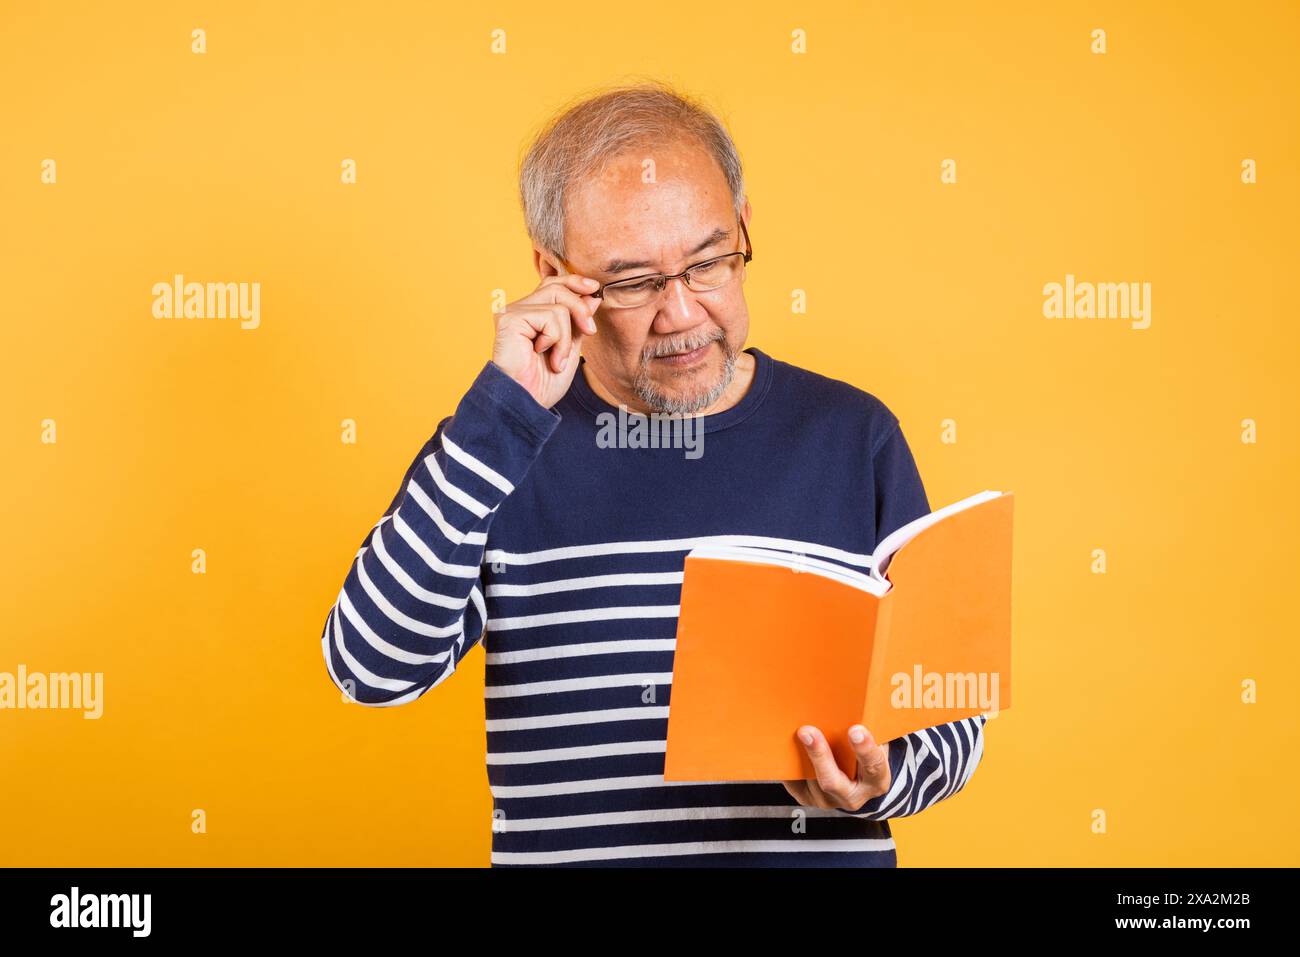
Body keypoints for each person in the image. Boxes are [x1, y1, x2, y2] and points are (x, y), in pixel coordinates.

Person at [320, 80, 986, 866]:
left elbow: (951, 714)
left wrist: (879, 778)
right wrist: (499, 415)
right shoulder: (497, 444)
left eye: (709, 262)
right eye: (633, 282)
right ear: (554, 274)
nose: (681, 312)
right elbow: (370, 666)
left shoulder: (853, 433)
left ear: (743, 229)